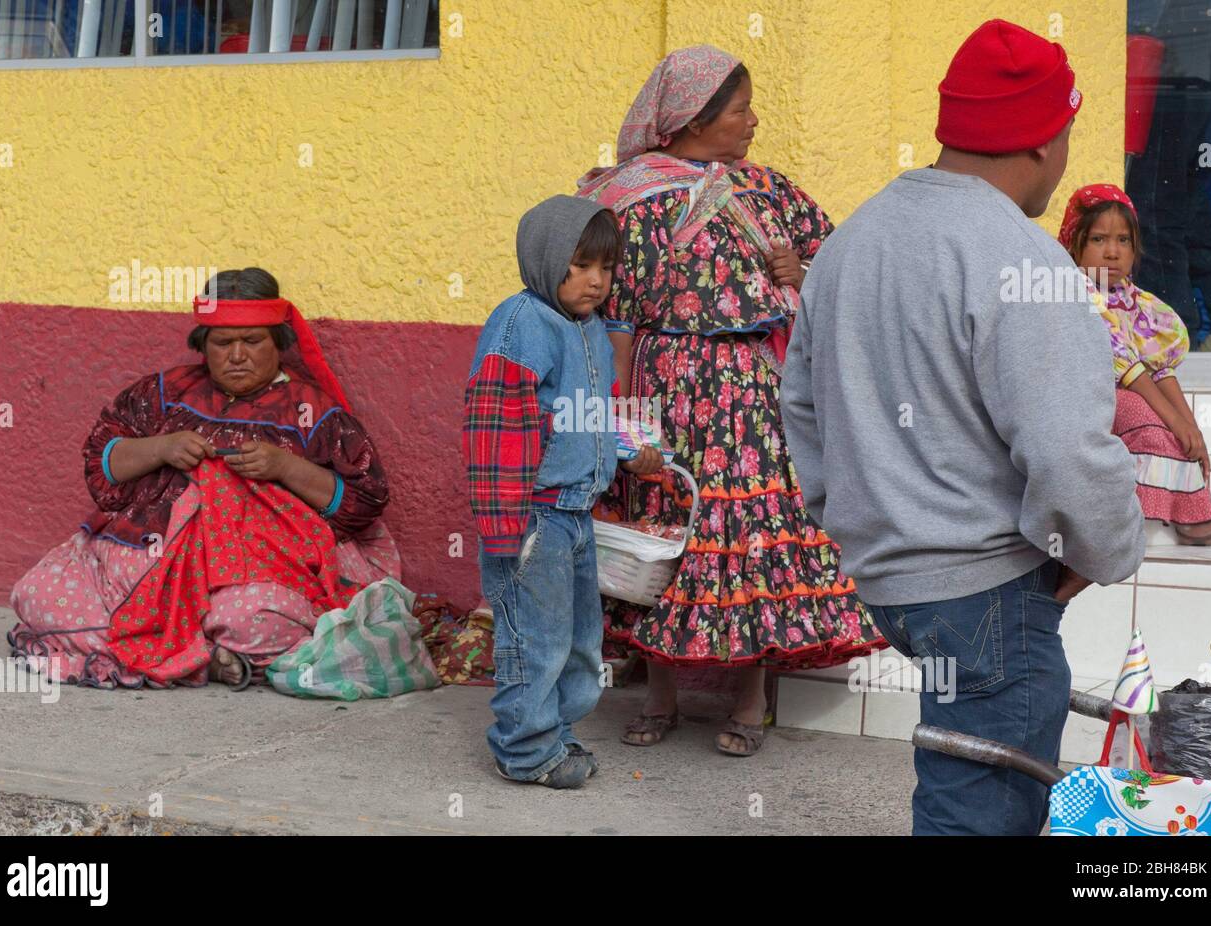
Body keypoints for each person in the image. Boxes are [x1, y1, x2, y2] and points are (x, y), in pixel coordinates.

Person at [781, 20, 1147, 834]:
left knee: (963, 777)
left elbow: (801, 406)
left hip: (897, 585)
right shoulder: (1018, 256)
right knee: (977, 809)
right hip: (986, 590)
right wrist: (1107, 550)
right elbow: (1065, 447)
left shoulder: (855, 240)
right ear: (1043, 140)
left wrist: (859, 522)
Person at [578, 44, 884, 758]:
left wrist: (800, 271)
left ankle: (750, 699)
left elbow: (844, 266)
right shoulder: (630, 198)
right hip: (662, 386)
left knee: (743, 536)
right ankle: (660, 693)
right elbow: (616, 317)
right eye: (741, 108)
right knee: (663, 531)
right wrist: (621, 417)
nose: (753, 121)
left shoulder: (768, 191)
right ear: (693, 116)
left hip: (752, 395)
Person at [9, 268, 398, 689]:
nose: (237, 356)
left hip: (252, 572)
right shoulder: (164, 394)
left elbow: (363, 502)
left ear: (277, 345)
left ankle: (188, 650)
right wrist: (162, 448)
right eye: (222, 343)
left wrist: (285, 467)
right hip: (144, 563)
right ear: (203, 346)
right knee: (37, 596)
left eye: (252, 342)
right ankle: (203, 656)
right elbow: (102, 465)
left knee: (251, 622)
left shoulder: (311, 411)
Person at [463, 195, 662, 789]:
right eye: (580, 265)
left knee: (579, 644)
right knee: (536, 639)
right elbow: (494, 434)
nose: (596, 281)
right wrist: (506, 535)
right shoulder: (520, 325)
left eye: (605, 267)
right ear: (547, 260)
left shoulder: (591, 331)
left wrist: (631, 452)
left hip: (577, 517)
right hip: (534, 521)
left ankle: (555, 733)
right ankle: (525, 752)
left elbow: (586, 418)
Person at [1058, 183, 1211, 546]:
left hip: (1122, 392)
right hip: (1080, 396)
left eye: (1124, 241)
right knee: (1149, 421)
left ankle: (1190, 515)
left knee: (1168, 425)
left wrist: (1191, 428)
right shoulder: (1075, 293)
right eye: (1099, 240)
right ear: (1075, 244)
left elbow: (1159, 368)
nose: (1113, 253)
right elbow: (1130, 371)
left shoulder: (1135, 301)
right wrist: (1174, 421)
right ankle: (1174, 522)